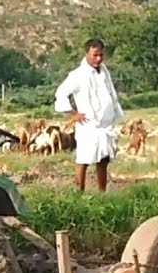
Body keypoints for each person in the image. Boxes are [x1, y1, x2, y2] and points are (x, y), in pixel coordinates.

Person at [53, 38, 125, 193]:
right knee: (84, 160)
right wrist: (73, 114)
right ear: (87, 54)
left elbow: (111, 94)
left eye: (101, 55)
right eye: (95, 55)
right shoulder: (78, 75)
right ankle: (79, 193)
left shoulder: (104, 72)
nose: (98, 59)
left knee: (103, 160)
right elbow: (61, 93)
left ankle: (101, 193)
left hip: (105, 125)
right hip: (88, 125)